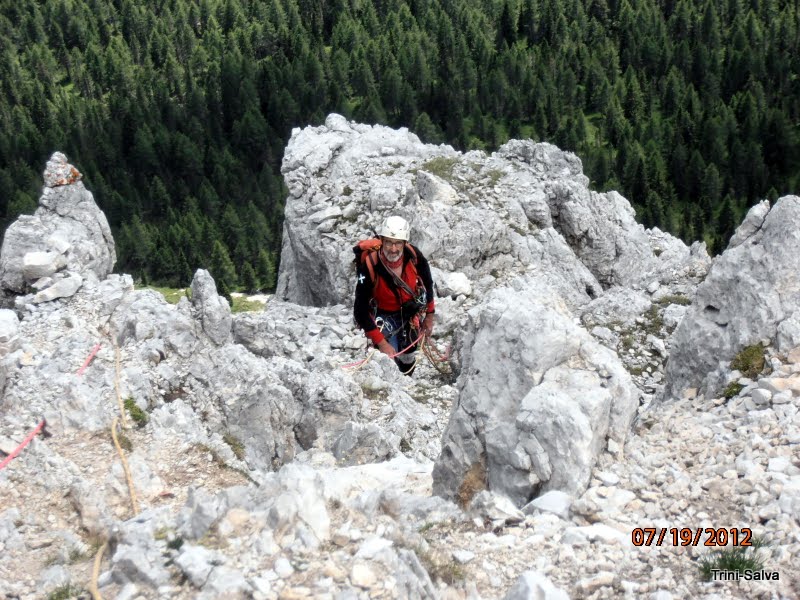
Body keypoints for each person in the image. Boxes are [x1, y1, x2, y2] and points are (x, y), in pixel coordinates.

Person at [353, 216, 435, 374]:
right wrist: (382, 343)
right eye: (389, 242)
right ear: (382, 241)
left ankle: (406, 383)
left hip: (408, 313)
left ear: (405, 243)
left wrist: (430, 316)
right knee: (387, 360)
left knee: (409, 355)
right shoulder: (370, 265)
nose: (393, 249)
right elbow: (360, 310)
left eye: (398, 243)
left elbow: (428, 283)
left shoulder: (413, 255)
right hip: (382, 316)